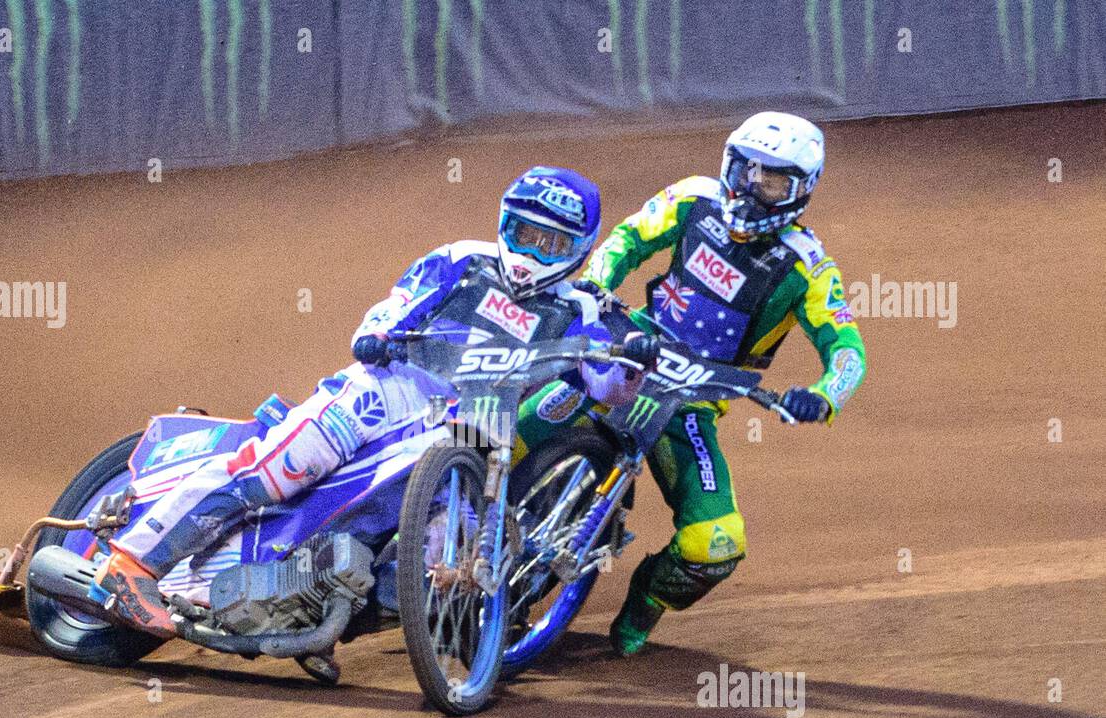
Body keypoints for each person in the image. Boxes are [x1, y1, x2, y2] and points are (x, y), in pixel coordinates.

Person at [92, 166, 657, 638]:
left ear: (579, 250)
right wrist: (377, 333)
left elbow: (606, 385)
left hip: (473, 436)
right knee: (275, 471)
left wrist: (635, 360)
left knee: (443, 562)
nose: (532, 251)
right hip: (387, 392)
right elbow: (397, 305)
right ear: (505, 221)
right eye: (523, 231)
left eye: (551, 242)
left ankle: (316, 608)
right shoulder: (463, 259)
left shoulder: (584, 309)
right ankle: (134, 561)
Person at [530, 111, 868, 656]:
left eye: (774, 180)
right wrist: (595, 287)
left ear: (802, 190)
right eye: (747, 170)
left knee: (716, 544)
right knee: (514, 415)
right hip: (627, 348)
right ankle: (428, 516)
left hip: (695, 401)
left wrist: (824, 397)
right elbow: (628, 238)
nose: (753, 189)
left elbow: (848, 353)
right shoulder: (694, 197)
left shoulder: (808, 267)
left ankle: (642, 605)